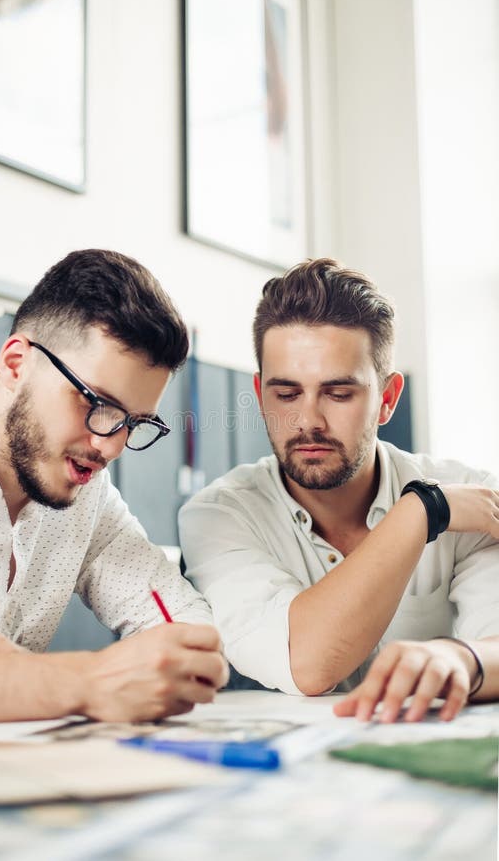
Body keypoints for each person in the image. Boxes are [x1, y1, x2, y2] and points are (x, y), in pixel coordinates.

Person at [0, 249, 228, 724]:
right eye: (97, 403)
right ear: (16, 364)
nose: (110, 446)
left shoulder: (87, 498)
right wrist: (76, 682)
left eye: (132, 423)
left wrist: (183, 658)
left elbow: (191, 629)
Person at [179, 258, 499, 723]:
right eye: (286, 394)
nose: (308, 421)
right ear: (259, 393)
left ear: (387, 399)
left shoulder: (474, 494)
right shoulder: (218, 516)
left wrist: (462, 660)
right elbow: (307, 662)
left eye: (338, 393)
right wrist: (421, 512)